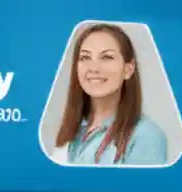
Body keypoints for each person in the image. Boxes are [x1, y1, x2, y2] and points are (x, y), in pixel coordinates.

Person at [52, 23, 168, 166]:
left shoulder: (146, 137)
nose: (93, 68)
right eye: (85, 57)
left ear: (128, 69)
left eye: (106, 57)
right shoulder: (70, 131)